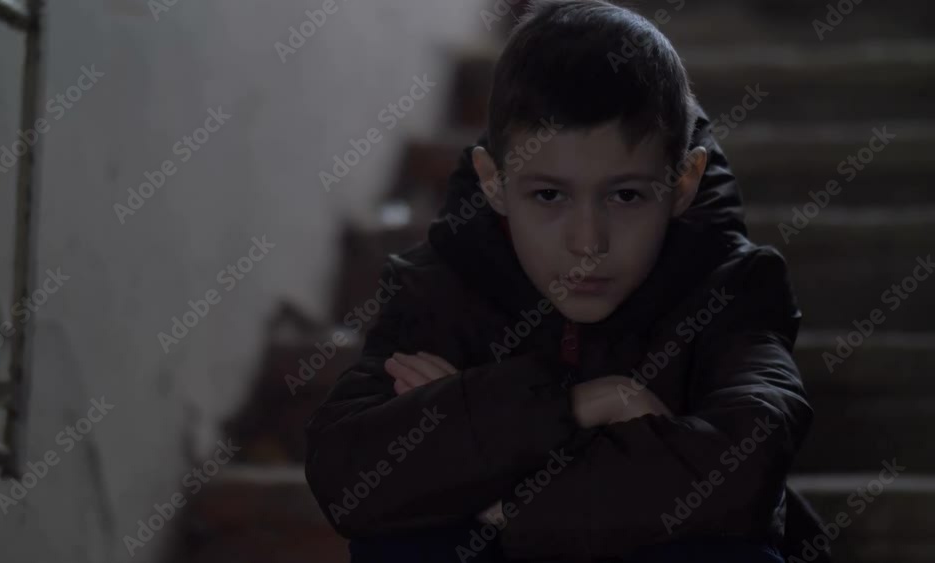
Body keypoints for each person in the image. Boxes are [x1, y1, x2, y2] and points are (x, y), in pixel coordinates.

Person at [305, 1, 830, 560]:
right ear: (493, 182)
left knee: (719, 546)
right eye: (549, 195)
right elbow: (348, 474)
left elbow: (745, 469)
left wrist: (505, 499)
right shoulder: (443, 289)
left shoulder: (734, 289)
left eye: (626, 195)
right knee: (404, 540)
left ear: (682, 183)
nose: (588, 242)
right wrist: (583, 405)